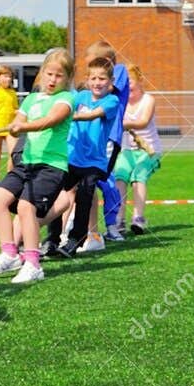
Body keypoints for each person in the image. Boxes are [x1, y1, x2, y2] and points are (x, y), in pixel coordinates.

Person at [0, 48, 75, 286]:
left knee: (26, 207)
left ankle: (33, 263)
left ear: (67, 79)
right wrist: (15, 125)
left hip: (51, 166)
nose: (53, 80)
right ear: (41, 74)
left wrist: (23, 127)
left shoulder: (66, 99)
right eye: (49, 73)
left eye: (59, 76)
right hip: (27, 162)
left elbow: (50, 120)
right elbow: (19, 120)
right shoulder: (32, 99)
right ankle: (9, 253)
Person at [44, 55, 120, 258]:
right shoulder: (79, 97)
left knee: (85, 194)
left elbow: (92, 115)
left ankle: (75, 239)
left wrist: (68, 117)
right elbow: (63, 104)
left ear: (110, 82)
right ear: (87, 80)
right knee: (55, 192)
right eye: (93, 78)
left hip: (94, 162)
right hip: (72, 157)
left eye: (102, 79)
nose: (97, 83)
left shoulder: (112, 101)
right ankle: (52, 239)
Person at [83, 41, 131, 244]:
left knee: (106, 180)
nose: (96, 81)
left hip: (109, 139)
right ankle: (83, 226)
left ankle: (112, 224)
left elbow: (107, 86)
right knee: (88, 180)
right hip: (93, 137)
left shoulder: (119, 72)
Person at [112, 65, 162, 235]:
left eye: (130, 81)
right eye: (124, 83)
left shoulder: (148, 100)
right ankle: (118, 219)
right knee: (120, 176)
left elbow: (143, 122)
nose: (127, 86)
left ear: (140, 81)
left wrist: (124, 125)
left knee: (138, 176)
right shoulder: (120, 102)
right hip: (126, 151)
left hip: (149, 151)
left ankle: (138, 218)